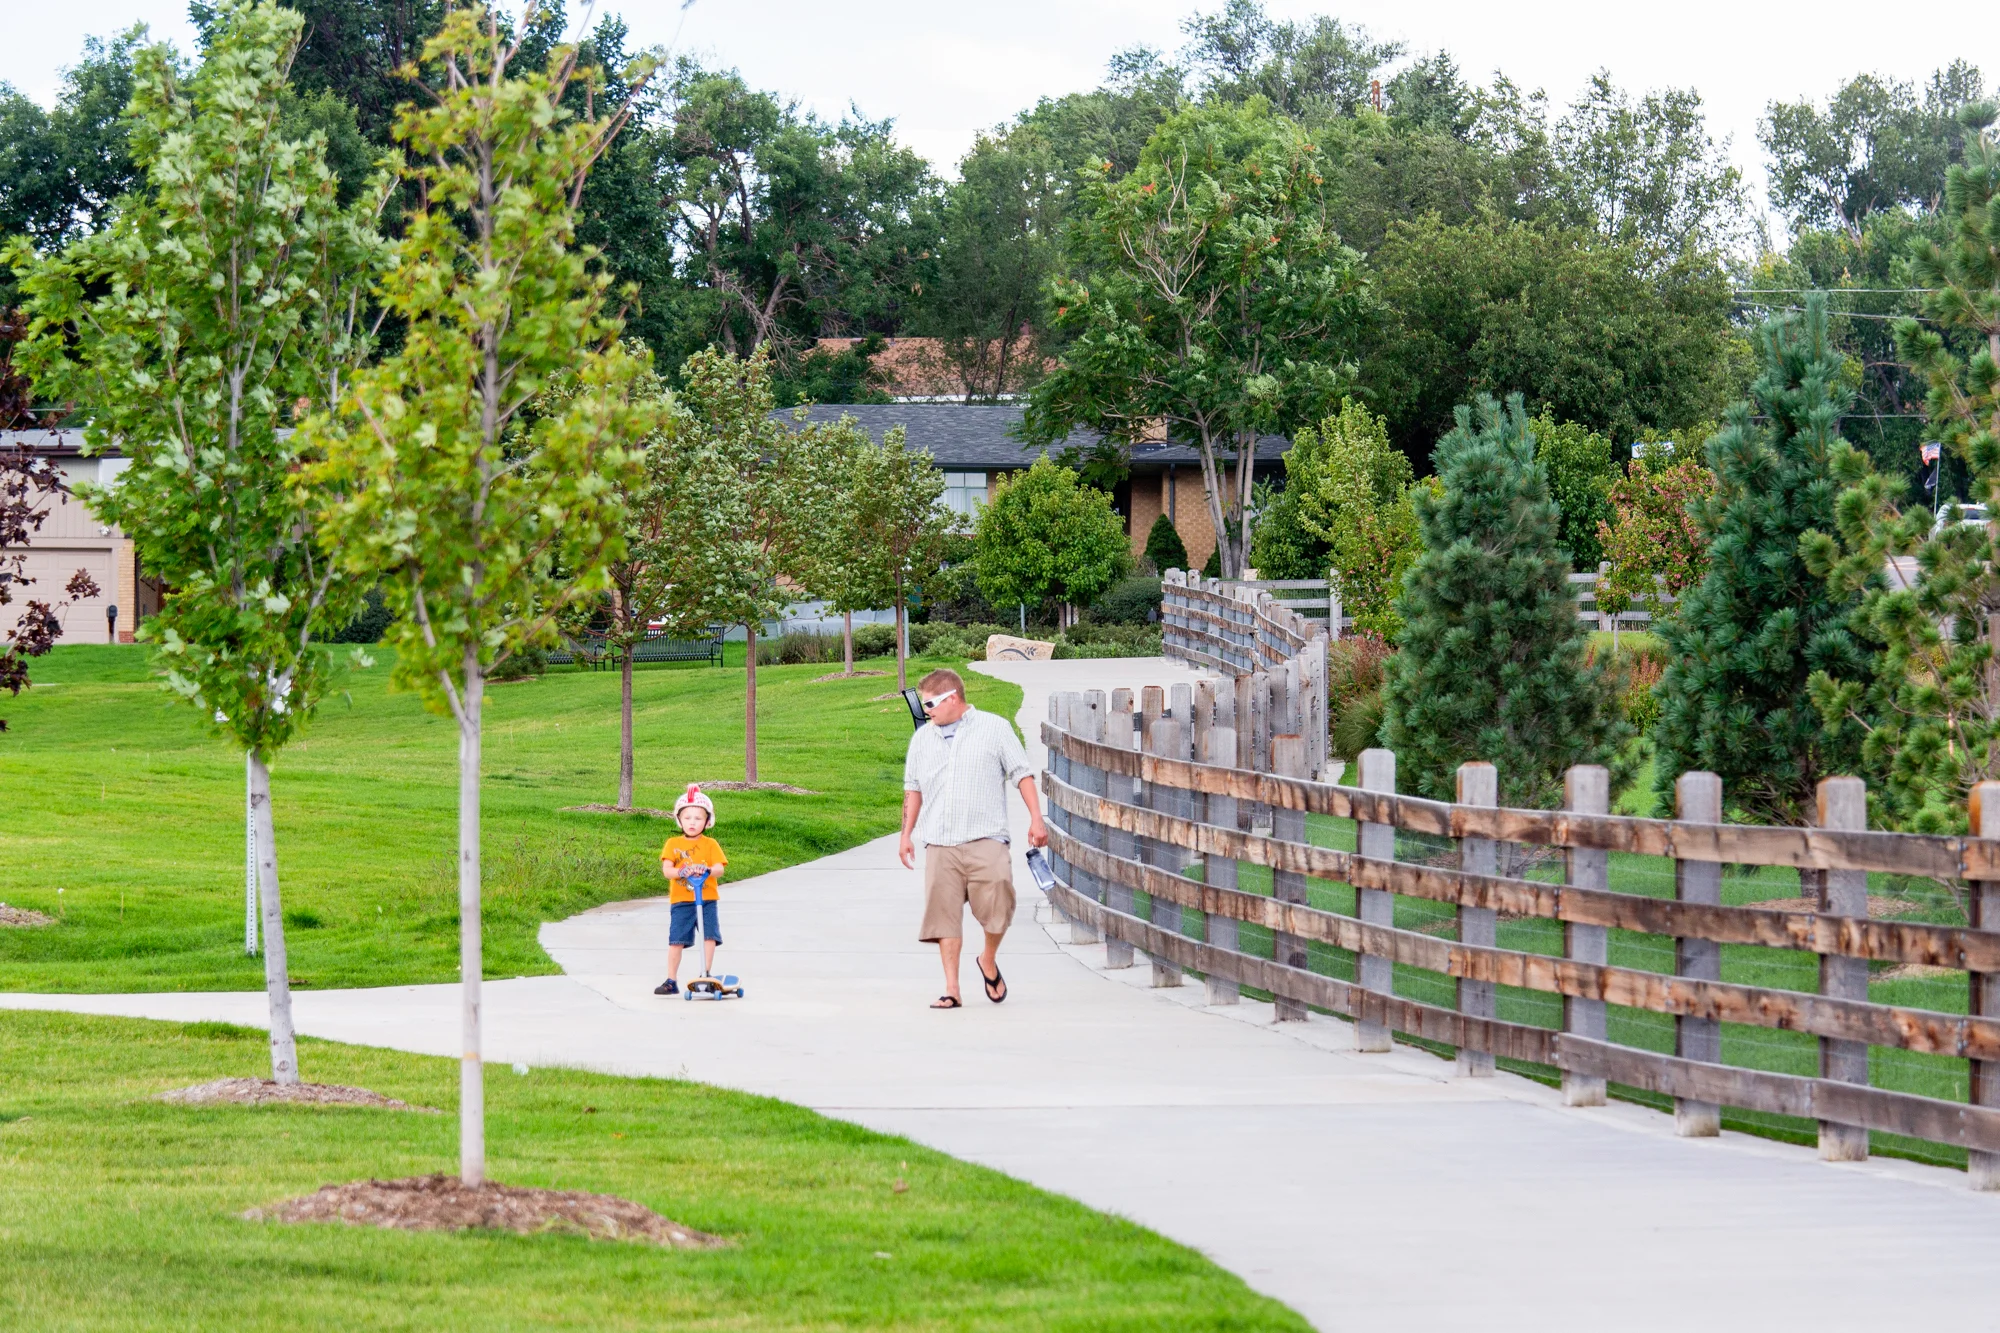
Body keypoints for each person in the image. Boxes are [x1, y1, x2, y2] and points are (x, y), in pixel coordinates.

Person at [898, 667, 1048, 1009]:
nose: (926, 710)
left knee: (999, 905)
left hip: (986, 837)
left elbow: (1022, 775)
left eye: (931, 703)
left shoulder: (995, 728)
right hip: (940, 841)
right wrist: (906, 835)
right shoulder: (922, 739)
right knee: (944, 917)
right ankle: (952, 989)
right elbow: (912, 789)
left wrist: (1036, 819)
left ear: (952, 698)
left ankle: (987, 959)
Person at [655, 784, 728, 996]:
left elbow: (719, 869)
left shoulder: (710, 844)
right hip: (681, 901)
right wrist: (682, 871)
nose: (692, 822)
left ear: (707, 821)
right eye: (687, 818)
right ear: (679, 820)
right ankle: (671, 980)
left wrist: (707, 869)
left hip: (707, 899)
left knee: (709, 936)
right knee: (676, 940)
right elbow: (667, 871)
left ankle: (706, 974)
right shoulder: (673, 843)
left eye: (698, 818)